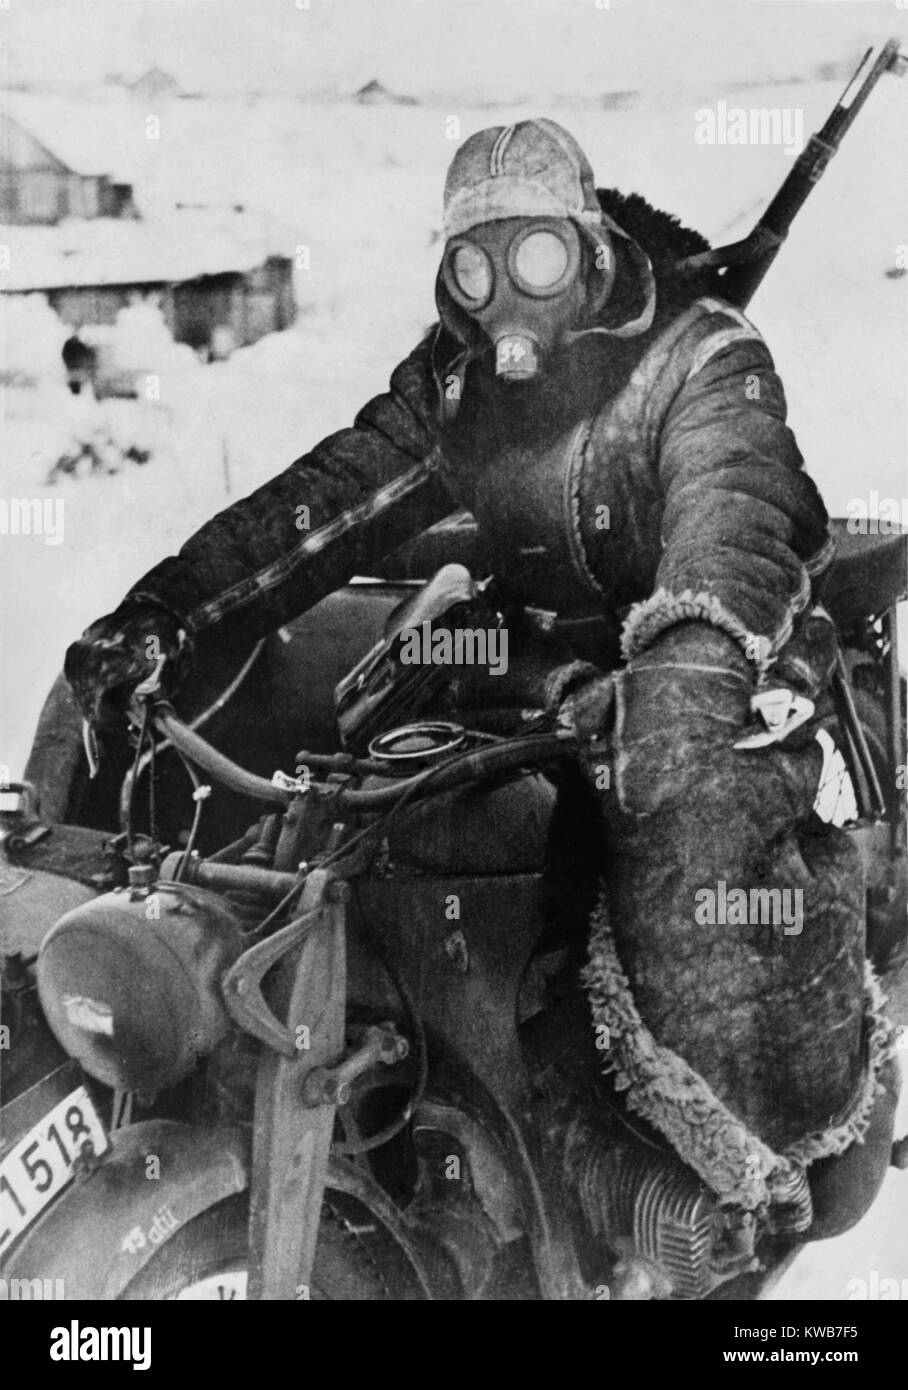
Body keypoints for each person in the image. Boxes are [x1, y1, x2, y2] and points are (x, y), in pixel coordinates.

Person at [65, 119, 895, 1239]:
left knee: (694, 813)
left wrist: (688, 660)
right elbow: (324, 503)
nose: (509, 293)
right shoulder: (459, 385)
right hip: (533, 653)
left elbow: (735, 514)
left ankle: (760, 1146)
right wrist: (166, 614)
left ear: (591, 250)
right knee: (364, 790)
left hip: (720, 657)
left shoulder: (702, 359)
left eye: (537, 257)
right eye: (474, 264)